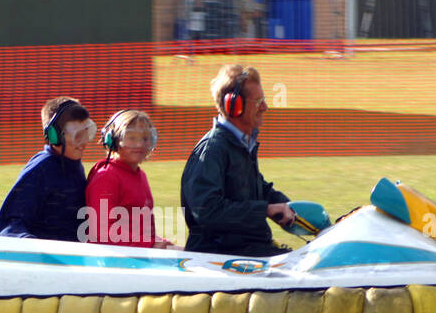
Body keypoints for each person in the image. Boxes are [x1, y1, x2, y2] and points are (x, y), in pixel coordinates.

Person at [180, 64, 295, 256]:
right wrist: (264, 210)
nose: (265, 107)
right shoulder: (212, 149)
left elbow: (257, 189)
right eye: (258, 102)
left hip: (245, 251)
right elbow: (206, 210)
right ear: (234, 106)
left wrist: (295, 209)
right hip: (221, 255)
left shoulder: (239, 144)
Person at [0, 97, 96, 241]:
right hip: (48, 259)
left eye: (87, 132)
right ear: (54, 136)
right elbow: (10, 224)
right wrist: (39, 250)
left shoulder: (73, 165)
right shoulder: (42, 169)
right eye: (77, 136)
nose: (84, 141)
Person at [83, 109, 175, 249]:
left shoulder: (140, 175)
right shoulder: (106, 177)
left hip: (135, 257)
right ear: (112, 140)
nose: (139, 145)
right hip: (111, 262)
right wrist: (150, 245)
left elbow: (142, 227)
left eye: (145, 138)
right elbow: (102, 233)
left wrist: (157, 241)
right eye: (131, 138)